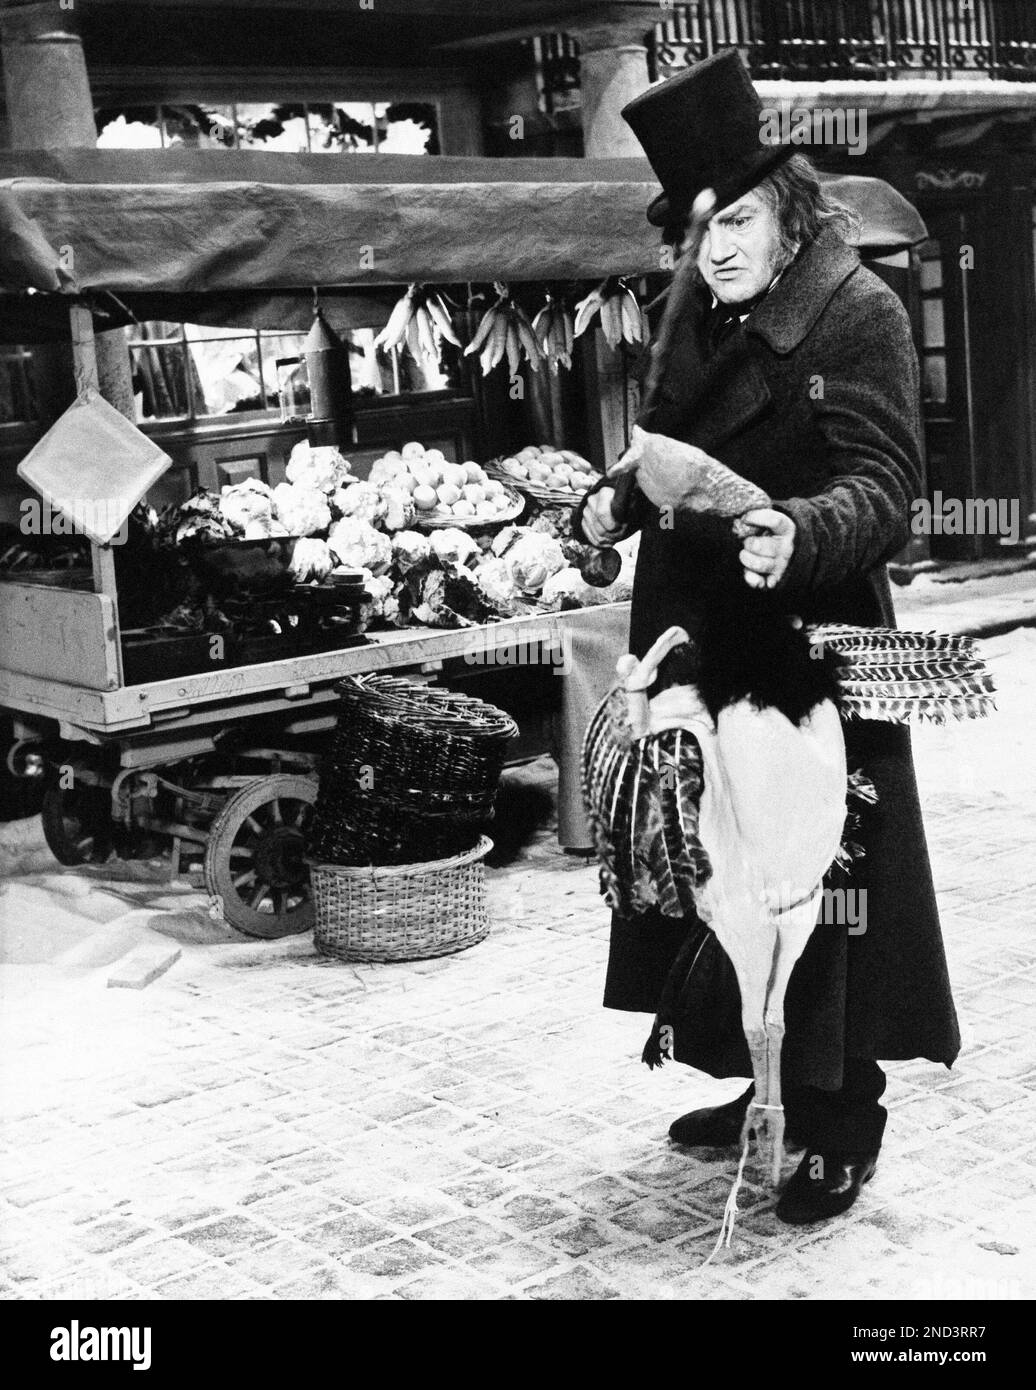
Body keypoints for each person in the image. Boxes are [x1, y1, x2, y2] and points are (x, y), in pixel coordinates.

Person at [573, 51, 959, 1225]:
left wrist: (800, 530)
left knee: (821, 887)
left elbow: (886, 486)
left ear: (788, 207)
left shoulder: (856, 312)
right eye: (699, 231)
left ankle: (841, 1118)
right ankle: (761, 1075)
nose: (717, 250)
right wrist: (611, 501)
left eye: (736, 220)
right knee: (717, 872)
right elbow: (667, 448)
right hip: (698, 644)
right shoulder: (698, 309)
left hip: (806, 652)